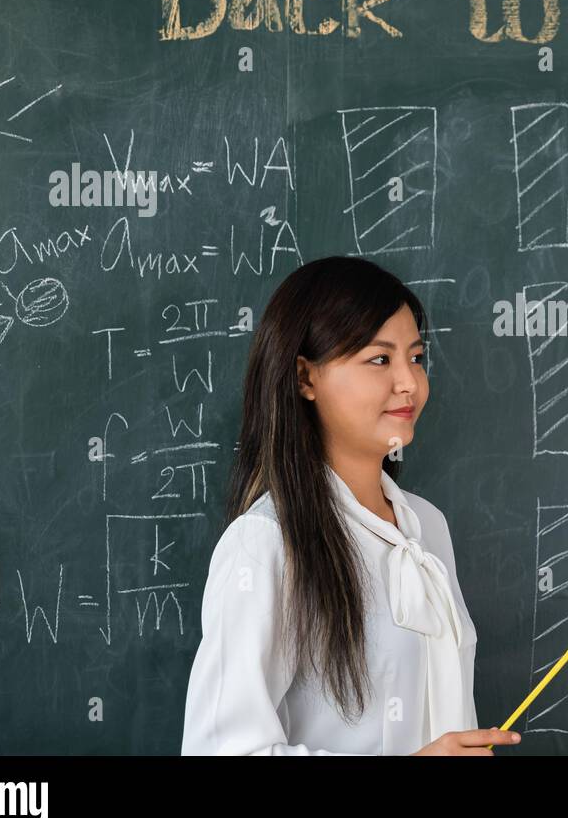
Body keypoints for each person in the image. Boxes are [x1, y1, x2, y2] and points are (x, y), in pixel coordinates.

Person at [181, 256, 520, 755]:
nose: (409, 383)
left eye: (416, 357)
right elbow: (222, 750)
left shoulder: (427, 527)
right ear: (305, 378)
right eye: (379, 359)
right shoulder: (266, 544)